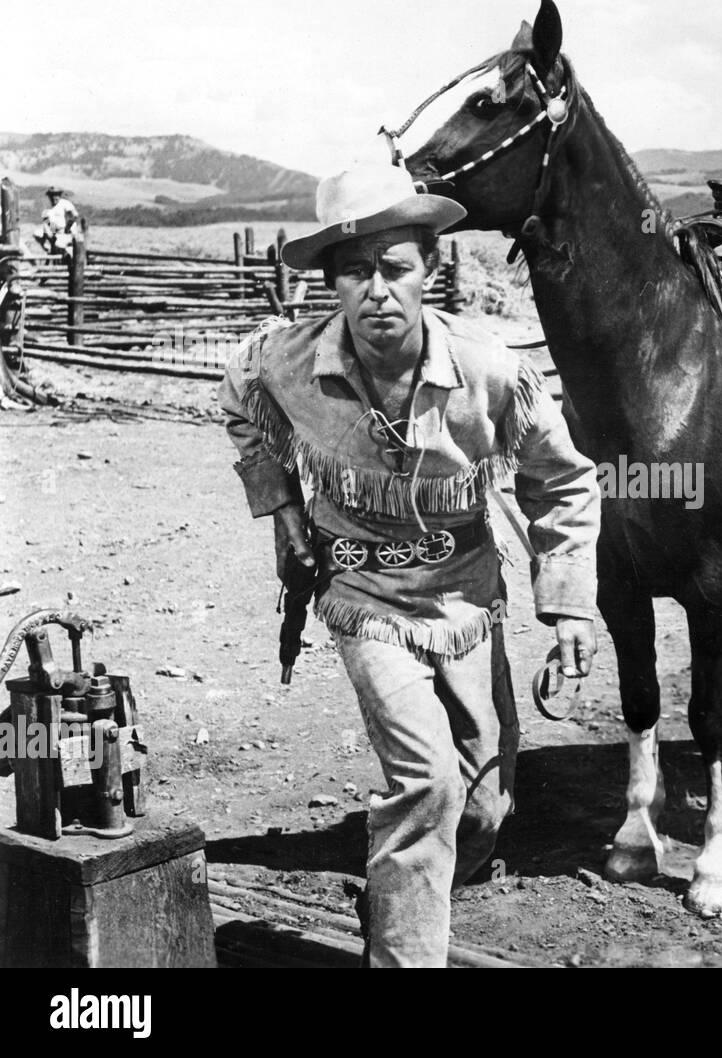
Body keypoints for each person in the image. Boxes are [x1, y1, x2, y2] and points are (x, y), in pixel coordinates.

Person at [218, 161, 600, 966]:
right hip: (363, 594)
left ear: (431, 270)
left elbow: (563, 480)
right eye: (355, 272)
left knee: (486, 804)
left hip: (466, 600)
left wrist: (566, 603)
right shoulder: (286, 361)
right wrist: (283, 506)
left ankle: (398, 896)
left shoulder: (490, 371)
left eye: (395, 268)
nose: (376, 291)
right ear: (333, 283)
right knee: (425, 782)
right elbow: (239, 396)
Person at [39, 187, 79, 259]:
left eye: (56, 195)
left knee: (61, 244)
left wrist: (68, 227)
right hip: (55, 232)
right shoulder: (48, 207)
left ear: (59, 195)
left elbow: (74, 216)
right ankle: (50, 250)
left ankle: (68, 257)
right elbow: (48, 222)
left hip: (67, 231)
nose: (54, 197)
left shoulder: (65, 203)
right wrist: (53, 233)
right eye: (52, 195)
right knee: (37, 233)